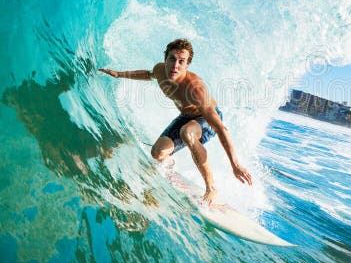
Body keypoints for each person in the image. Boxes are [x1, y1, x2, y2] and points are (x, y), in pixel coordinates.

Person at [99, 38, 252, 205]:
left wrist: (235, 165)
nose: (175, 65)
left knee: (187, 133)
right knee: (157, 153)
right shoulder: (160, 70)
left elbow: (221, 128)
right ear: (165, 59)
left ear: (187, 65)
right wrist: (119, 74)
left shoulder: (196, 89)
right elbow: (148, 75)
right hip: (186, 117)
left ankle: (211, 187)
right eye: (172, 59)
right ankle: (169, 162)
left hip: (205, 119)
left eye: (181, 61)